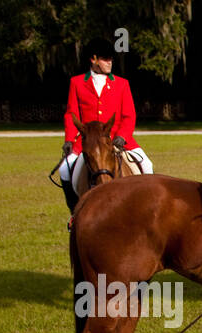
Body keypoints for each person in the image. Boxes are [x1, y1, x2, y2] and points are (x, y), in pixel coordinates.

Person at [58, 37, 152, 211]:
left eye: (111, 59)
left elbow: (129, 115)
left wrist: (122, 136)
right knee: (64, 169)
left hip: (118, 139)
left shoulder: (122, 84)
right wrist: (70, 140)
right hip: (88, 141)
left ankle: (146, 209)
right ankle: (74, 213)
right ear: (93, 60)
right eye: (105, 59)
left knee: (147, 165)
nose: (110, 62)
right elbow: (72, 114)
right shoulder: (77, 83)